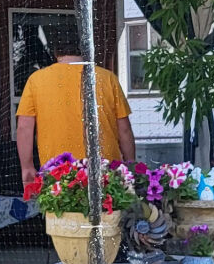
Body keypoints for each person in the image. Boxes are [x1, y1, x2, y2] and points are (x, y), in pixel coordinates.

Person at [15, 20, 136, 182]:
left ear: (56, 50)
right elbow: (125, 130)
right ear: (87, 47)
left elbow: (24, 127)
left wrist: (27, 168)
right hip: (105, 172)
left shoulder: (36, 80)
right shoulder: (107, 78)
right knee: (106, 208)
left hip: (57, 173)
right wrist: (130, 164)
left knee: (61, 208)